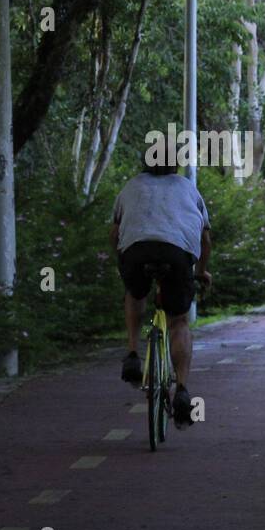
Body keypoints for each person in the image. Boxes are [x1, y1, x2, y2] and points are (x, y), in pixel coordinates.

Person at [110, 148, 213, 427]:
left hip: (135, 251)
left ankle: (132, 353)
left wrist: (122, 263)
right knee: (178, 320)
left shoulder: (130, 187)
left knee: (134, 292)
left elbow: (115, 233)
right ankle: (181, 389)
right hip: (177, 255)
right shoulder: (188, 189)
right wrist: (201, 272)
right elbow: (205, 240)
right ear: (175, 166)